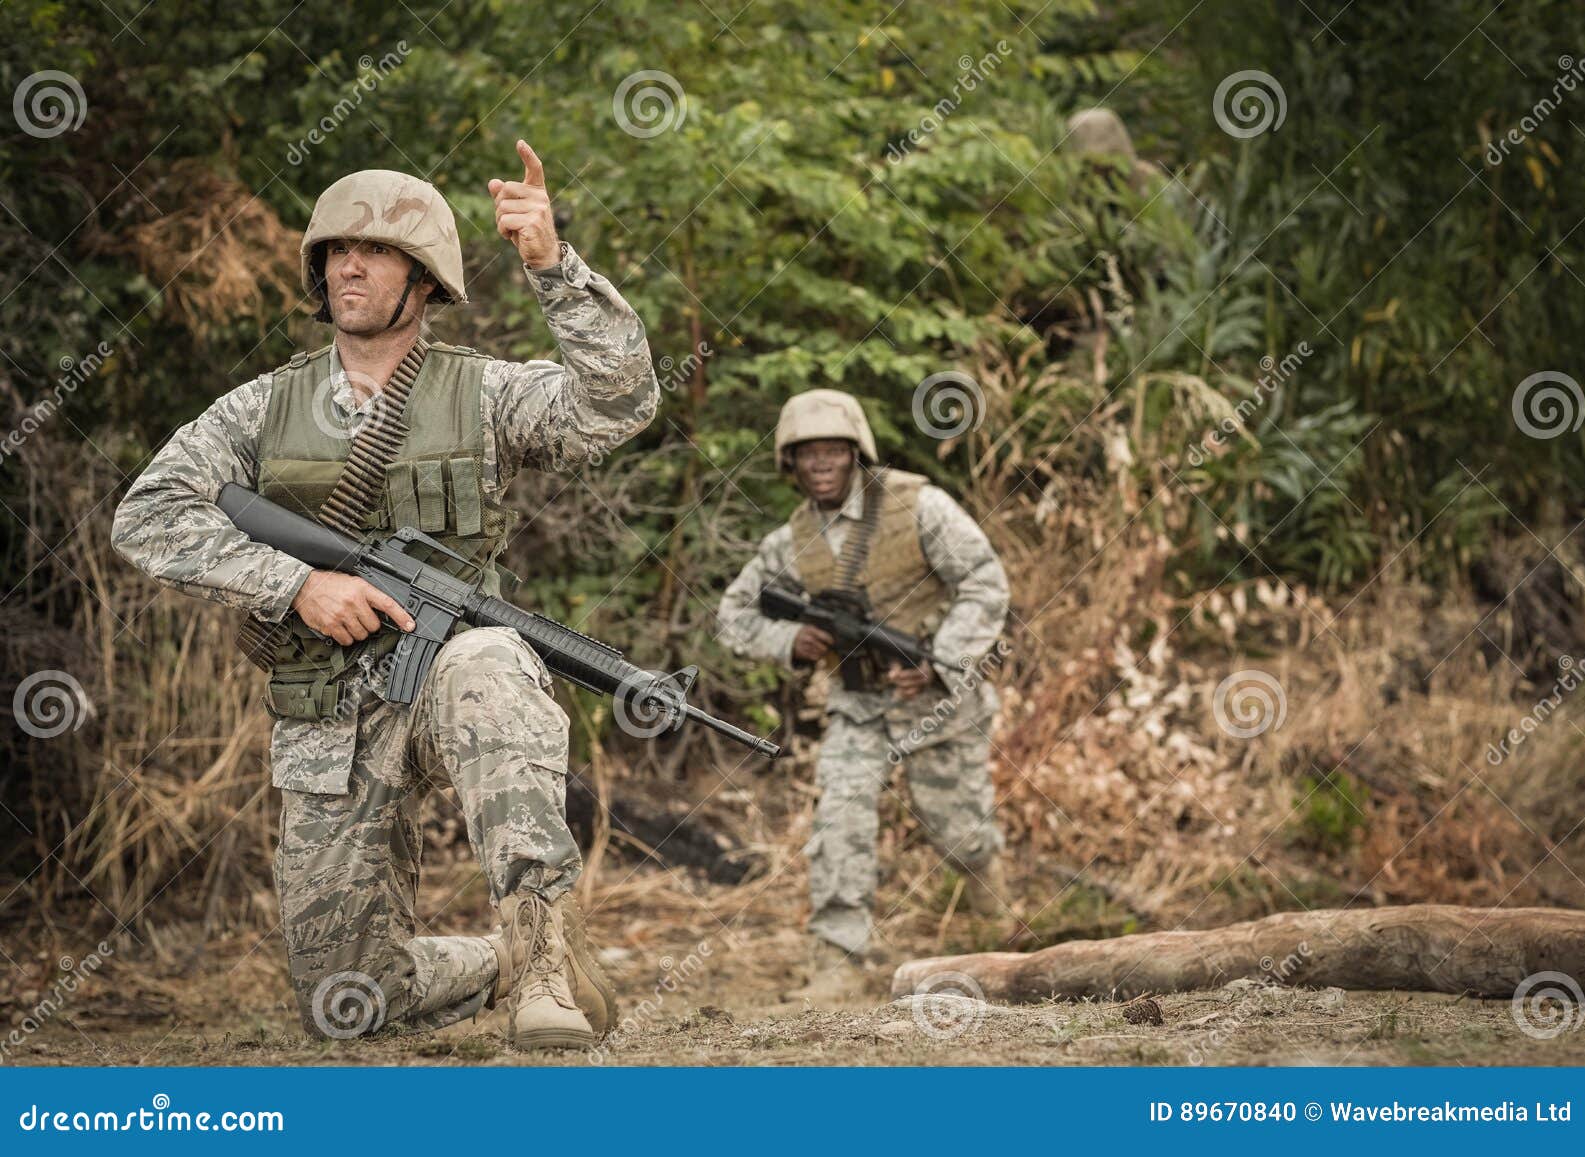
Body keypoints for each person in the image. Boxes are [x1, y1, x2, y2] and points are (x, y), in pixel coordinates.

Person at [111, 141, 657, 1050]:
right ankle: (489, 961)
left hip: (452, 676)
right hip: (327, 713)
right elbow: (147, 513)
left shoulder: (483, 392)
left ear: (428, 280)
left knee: (488, 659)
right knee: (348, 1004)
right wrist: (295, 584)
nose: (347, 265)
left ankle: (544, 956)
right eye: (333, 251)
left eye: (374, 251)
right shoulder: (260, 409)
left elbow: (619, 404)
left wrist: (554, 268)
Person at [716, 389, 1011, 1002]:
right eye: (807, 454)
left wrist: (940, 663)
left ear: (856, 454)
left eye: (833, 451)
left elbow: (984, 582)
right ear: (789, 464)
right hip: (856, 706)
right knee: (839, 821)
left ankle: (997, 924)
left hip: (937, 703)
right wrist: (791, 639)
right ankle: (837, 962)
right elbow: (733, 616)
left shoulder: (920, 506)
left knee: (962, 834)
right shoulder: (789, 541)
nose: (821, 464)